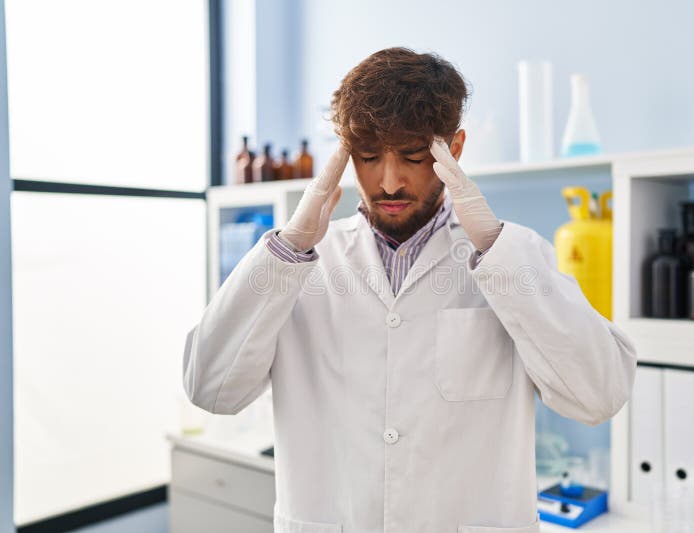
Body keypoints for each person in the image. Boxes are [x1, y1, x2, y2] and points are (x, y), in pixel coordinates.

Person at [183, 47, 637, 533]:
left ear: (454, 148)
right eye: (368, 157)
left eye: (414, 156)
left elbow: (599, 395)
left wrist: (497, 251)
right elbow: (211, 388)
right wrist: (289, 249)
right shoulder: (301, 265)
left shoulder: (509, 259)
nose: (390, 181)